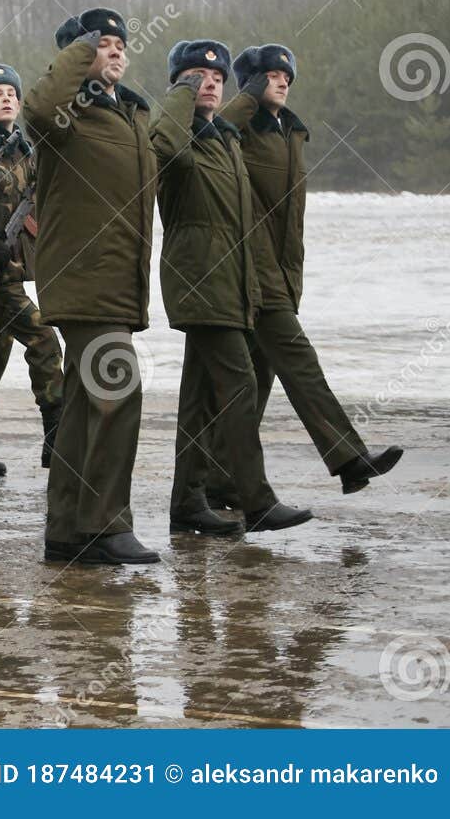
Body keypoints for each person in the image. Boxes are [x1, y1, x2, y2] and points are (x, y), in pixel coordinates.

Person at [222, 45, 403, 495]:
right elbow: (215, 131)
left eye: (287, 75)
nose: (282, 82)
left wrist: (291, 276)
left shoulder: (290, 132)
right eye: (271, 75)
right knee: (301, 364)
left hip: (281, 274)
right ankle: (349, 458)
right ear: (250, 82)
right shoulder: (238, 130)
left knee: (254, 386)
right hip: (251, 273)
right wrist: (246, 96)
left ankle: (216, 480)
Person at [154, 40, 310, 536]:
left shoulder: (223, 140)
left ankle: (188, 503)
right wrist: (182, 94)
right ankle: (256, 500)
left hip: (230, 288)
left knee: (198, 400)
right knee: (241, 384)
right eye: (197, 75)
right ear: (179, 83)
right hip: (199, 283)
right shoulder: (174, 135)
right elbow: (165, 148)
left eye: (217, 77)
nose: (210, 83)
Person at [23, 8, 160, 566]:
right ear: (74, 56)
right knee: (118, 385)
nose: (116, 52)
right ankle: (105, 525)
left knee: (83, 406)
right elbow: (39, 107)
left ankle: (66, 529)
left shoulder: (129, 116)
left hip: (118, 279)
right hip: (83, 277)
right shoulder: (66, 116)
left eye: (121, 45)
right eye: (103, 44)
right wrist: (79, 53)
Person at [0, 62, 64, 468]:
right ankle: (57, 435)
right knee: (42, 338)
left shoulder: (24, 149)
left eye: (12, 94)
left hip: (16, 264)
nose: (7, 99)